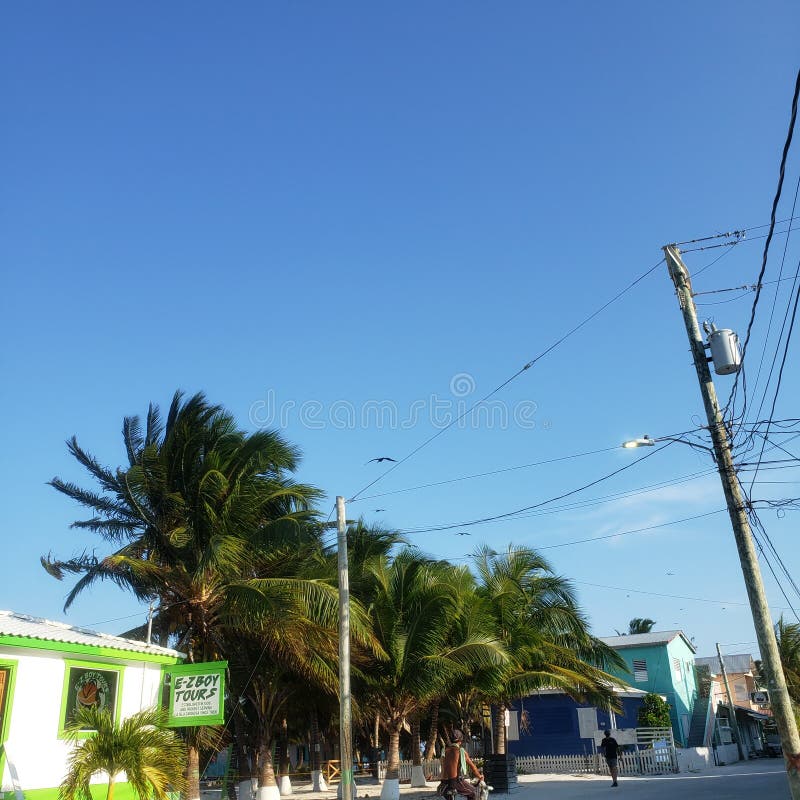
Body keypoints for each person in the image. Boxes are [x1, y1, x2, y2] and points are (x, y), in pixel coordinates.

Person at [437, 730, 483, 799]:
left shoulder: (445, 750)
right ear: (460, 740)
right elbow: (473, 767)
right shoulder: (460, 751)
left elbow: (443, 766)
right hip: (455, 781)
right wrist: (480, 776)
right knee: (474, 793)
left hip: (443, 783)